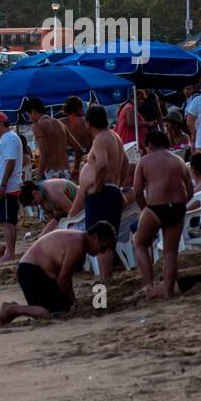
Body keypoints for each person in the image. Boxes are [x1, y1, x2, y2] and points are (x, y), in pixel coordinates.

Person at [0, 222, 117, 326]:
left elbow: (67, 277)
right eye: (103, 246)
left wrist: (72, 302)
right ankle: (11, 309)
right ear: (95, 237)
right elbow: (62, 280)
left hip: (37, 271)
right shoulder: (78, 246)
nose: (102, 252)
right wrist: (70, 305)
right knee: (50, 314)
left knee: (62, 309)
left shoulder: (79, 240)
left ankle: (13, 309)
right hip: (31, 271)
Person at [132, 129, 194, 298]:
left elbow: (137, 191)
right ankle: (168, 292)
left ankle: (149, 286)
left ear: (149, 145)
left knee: (139, 243)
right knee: (170, 253)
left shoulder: (144, 161)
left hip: (155, 208)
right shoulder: (179, 161)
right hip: (177, 207)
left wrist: (145, 208)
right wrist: (180, 205)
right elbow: (190, 190)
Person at [72, 104, 128, 282]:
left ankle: (104, 281)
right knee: (106, 241)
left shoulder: (100, 139)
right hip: (111, 191)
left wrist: (97, 186)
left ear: (88, 123)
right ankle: (106, 280)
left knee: (100, 241)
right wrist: (118, 183)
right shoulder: (114, 136)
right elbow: (126, 162)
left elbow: (102, 164)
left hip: (102, 194)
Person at [0, 112, 24, 262]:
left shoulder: (9, 139)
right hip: (6, 186)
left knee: (7, 221)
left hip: (8, 187)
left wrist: (2, 184)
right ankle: (10, 251)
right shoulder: (7, 139)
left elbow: (10, 162)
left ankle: (10, 253)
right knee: (7, 220)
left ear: (0, 124)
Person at [26, 99, 70, 179]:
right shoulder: (59, 123)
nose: (29, 119)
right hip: (66, 171)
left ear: (33, 112)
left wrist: (39, 175)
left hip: (51, 173)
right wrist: (76, 167)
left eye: (28, 115)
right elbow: (76, 147)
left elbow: (44, 153)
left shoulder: (38, 126)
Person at [59, 96, 92, 176]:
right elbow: (89, 146)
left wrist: (76, 168)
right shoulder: (85, 122)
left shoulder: (60, 122)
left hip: (65, 163)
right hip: (88, 160)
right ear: (79, 108)